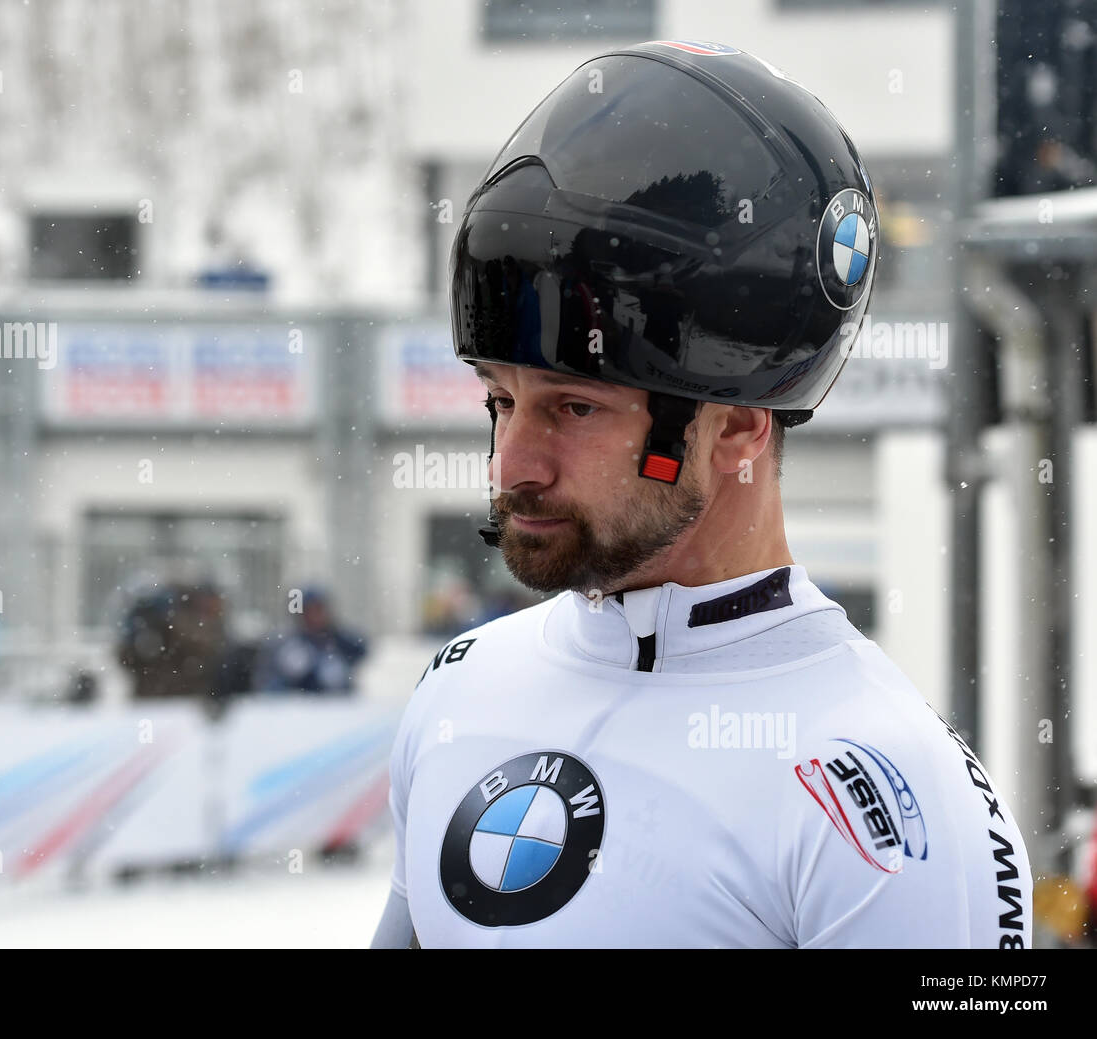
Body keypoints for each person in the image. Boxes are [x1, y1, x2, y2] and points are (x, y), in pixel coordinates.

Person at [372, 41, 1032, 949]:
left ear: (738, 428)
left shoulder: (889, 797)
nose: (513, 463)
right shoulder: (460, 689)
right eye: (500, 398)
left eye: (573, 407)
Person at [253, 586, 366, 694]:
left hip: (335, 709)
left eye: (318, 610)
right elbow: (267, 687)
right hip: (294, 710)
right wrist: (288, 678)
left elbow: (363, 675)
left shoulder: (345, 642)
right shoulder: (282, 644)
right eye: (308, 611)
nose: (314, 616)